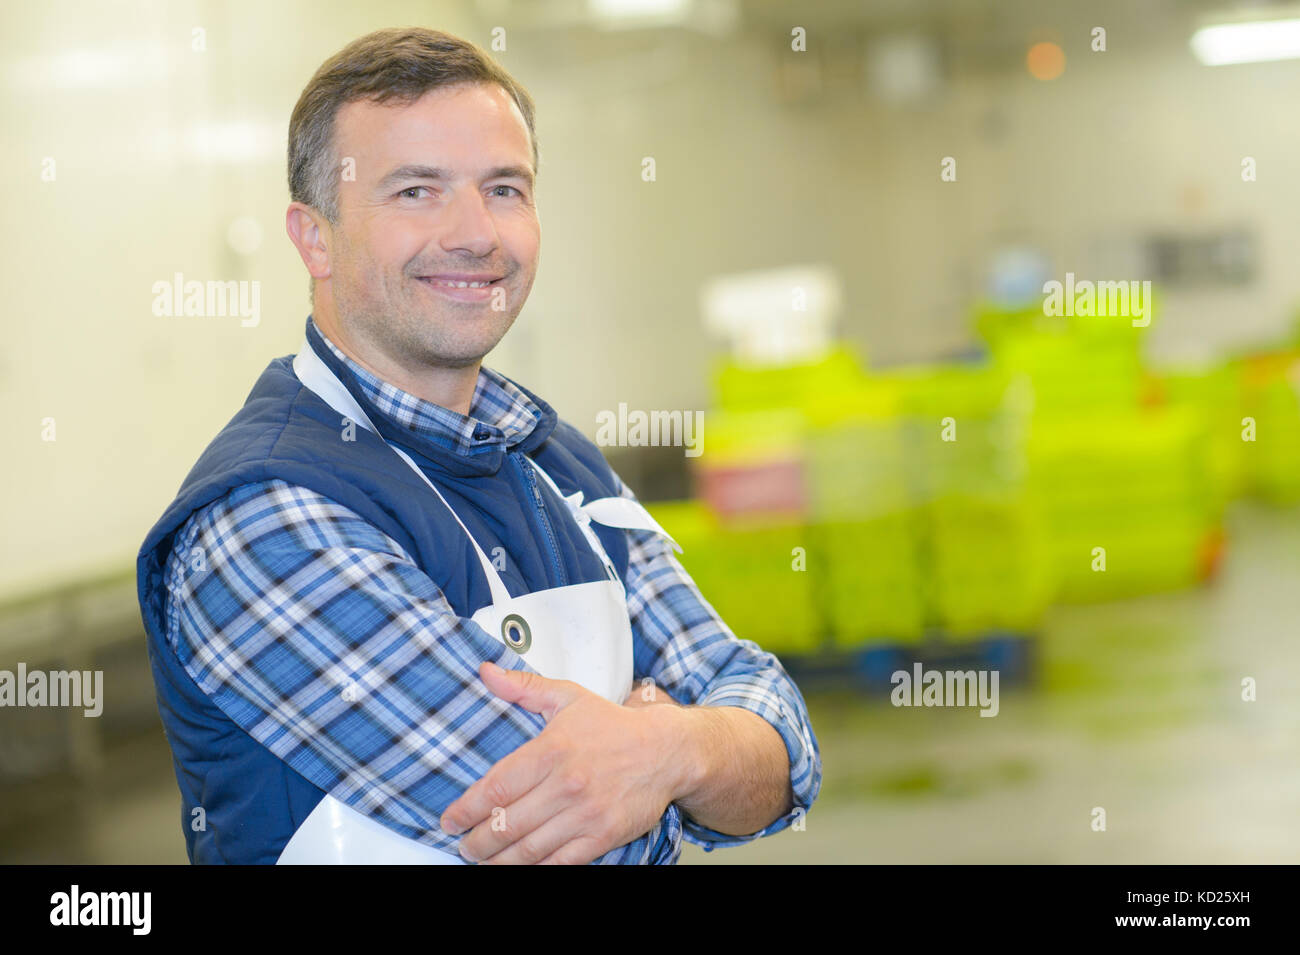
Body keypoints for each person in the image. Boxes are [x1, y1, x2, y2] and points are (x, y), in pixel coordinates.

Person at [135, 26, 821, 865]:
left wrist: (666, 753)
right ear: (313, 237)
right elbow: (586, 841)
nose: (475, 234)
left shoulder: (557, 461)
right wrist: (694, 754)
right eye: (416, 191)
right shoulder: (268, 517)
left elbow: (785, 748)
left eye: (504, 188)